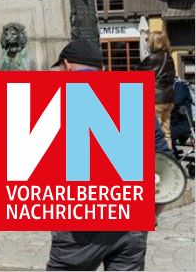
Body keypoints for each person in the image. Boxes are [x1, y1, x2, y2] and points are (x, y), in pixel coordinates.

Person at [47, 39, 163, 271]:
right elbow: (165, 164)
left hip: (80, 227)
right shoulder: (132, 96)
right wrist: (152, 213)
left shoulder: (57, 100)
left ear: (66, 65)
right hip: (132, 222)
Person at [136, 31, 176, 145]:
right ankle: (168, 154)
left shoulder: (152, 58)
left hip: (156, 99)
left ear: (154, 42)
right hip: (169, 99)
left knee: (154, 133)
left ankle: (155, 155)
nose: (147, 43)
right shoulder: (169, 58)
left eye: (148, 40)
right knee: (166, 133)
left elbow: (136, 74)